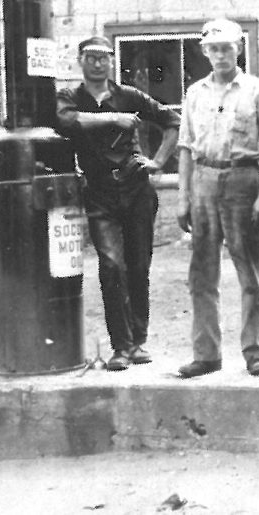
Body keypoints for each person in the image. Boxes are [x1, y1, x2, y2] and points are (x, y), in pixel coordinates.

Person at [56, 35, 180, 372]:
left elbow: (172, 122)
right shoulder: (70, 96)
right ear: (80, 60)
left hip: (136, 188)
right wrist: (113, 119)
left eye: (104, 58)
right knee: (111, 266)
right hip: (98, 192)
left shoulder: (129, 95)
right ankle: (120, 347)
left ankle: (138, 341)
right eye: (91, 57)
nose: (98, 63)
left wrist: (157, 162)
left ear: (111, 62)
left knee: (138, 265)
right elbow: (66, 121)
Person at [174, 19, 259, 379]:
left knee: (250, 270)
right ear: (204, 52)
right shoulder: (195, 93)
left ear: (239, 49)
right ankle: (206, 353)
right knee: (201, 272)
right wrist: (183, 196)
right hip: (203, 178)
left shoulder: (258, 90)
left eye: (227, 47)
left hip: (243, 179)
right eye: (213, 48)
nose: (220, 55)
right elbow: (185, 146)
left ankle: (255, 351)